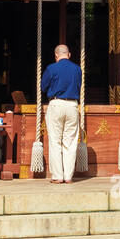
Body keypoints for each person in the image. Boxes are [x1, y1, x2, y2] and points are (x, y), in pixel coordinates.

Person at [41, 44, 83, 184]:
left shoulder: (51, 68)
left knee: (55, 141)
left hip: (56, 103)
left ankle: (58, 175)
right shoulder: (77, 69)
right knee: (70, 142)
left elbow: (43, 87)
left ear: (56, 55)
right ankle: (68, 176)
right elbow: (78, 86)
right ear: (69, 54)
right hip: (72, 105)